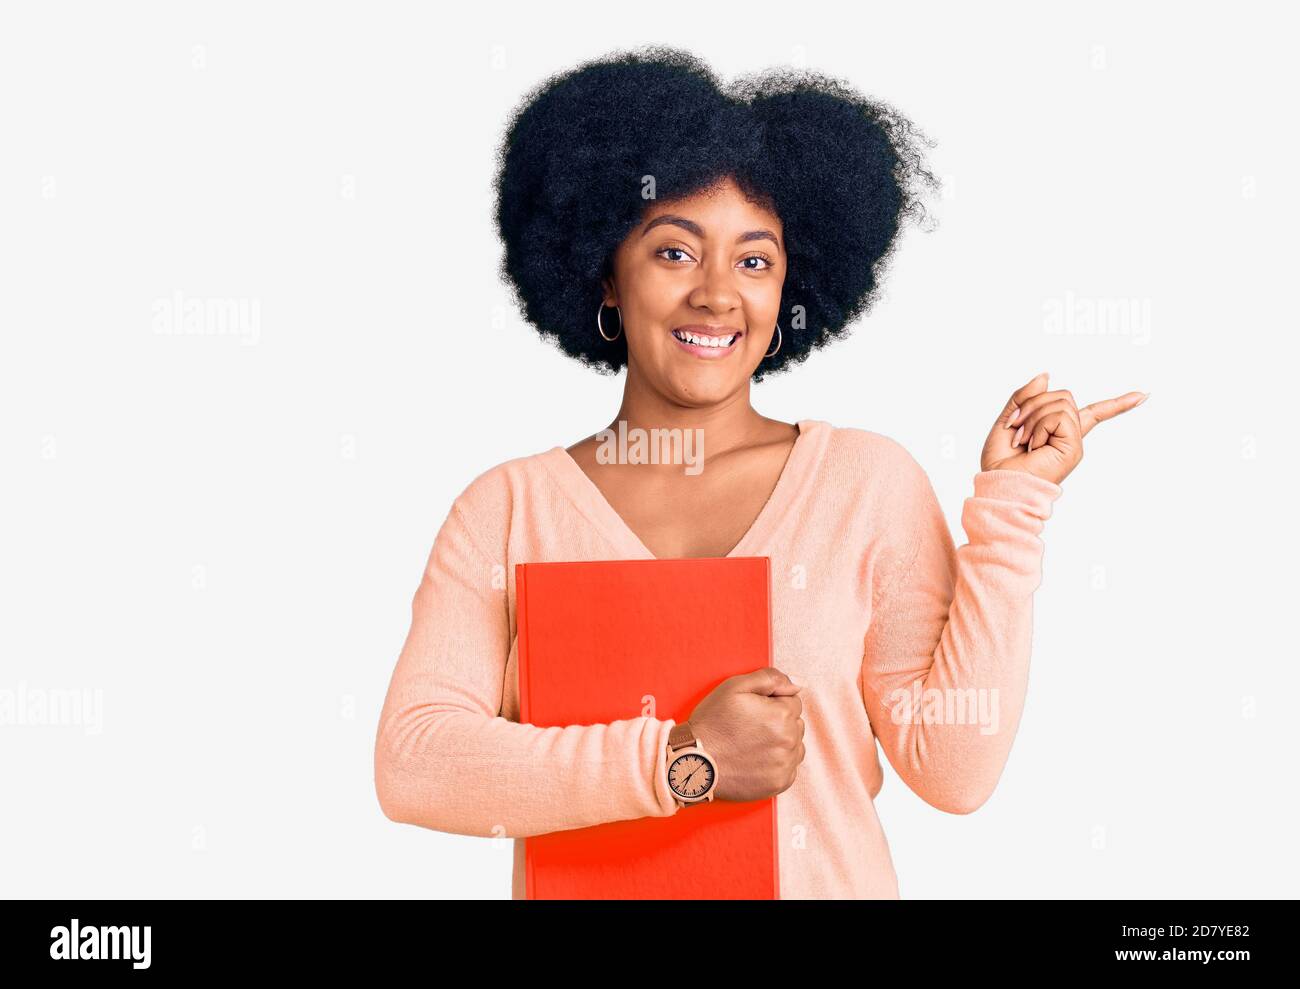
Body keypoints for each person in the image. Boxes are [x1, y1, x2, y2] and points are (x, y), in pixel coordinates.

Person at [373, 45, 1147, 898]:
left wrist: (1015, 507)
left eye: (754, 260)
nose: (716, 294)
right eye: (674, 252)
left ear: (789, 291)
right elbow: (415, 762)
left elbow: (953, 771)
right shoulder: (508, 508)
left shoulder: (866, 484)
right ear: (605, 273)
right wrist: (682, 761)